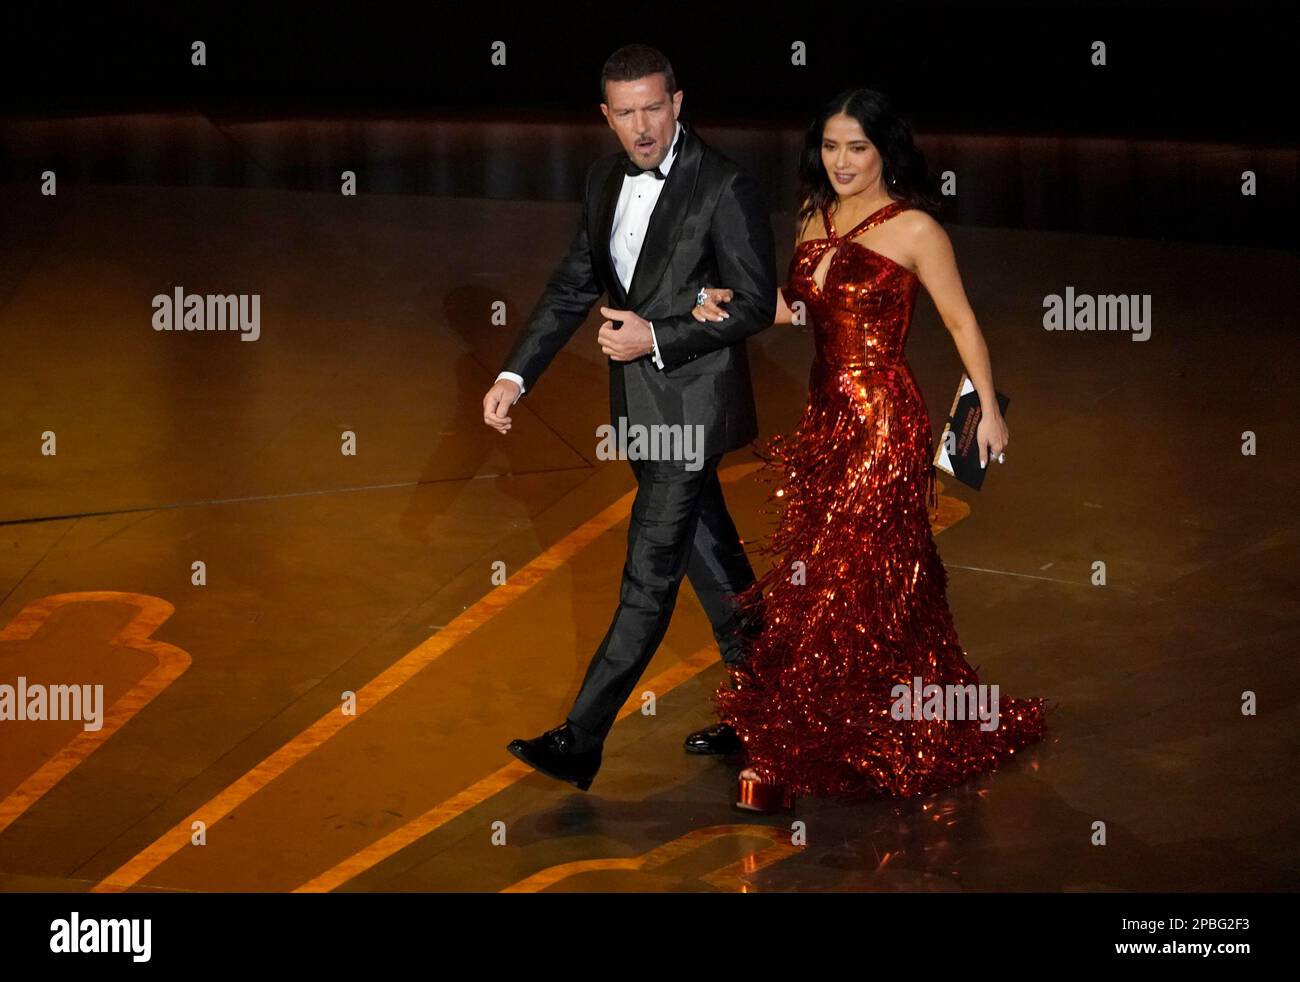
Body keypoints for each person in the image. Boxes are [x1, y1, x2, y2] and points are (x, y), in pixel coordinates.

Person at [691, 87, 1051, 812]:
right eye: (830, 146)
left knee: (839, 577)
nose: (842, 160)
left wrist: (985, 408)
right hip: (826, 421)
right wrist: (727, 302)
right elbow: (795, 312)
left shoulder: (915, 228)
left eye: (857, 147)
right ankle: (864, 711)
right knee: (848, 577)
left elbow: (960, 320)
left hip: (886, 422)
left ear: (885, 149)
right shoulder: (813, 218)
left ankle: (788, 746)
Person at [482, 44, 777, 791]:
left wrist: (659, 334)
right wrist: (517, 374)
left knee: (649, 575)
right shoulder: (604, 177)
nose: (643, 126)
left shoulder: (725, 185)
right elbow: (574, 282)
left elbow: (752, 300)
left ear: (679, 104)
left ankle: (581, 738)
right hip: (642, 409)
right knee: (715, 566)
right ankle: (775, 707)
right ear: (605, 117)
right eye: (627, 113)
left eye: (655, 107)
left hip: (693, 406)